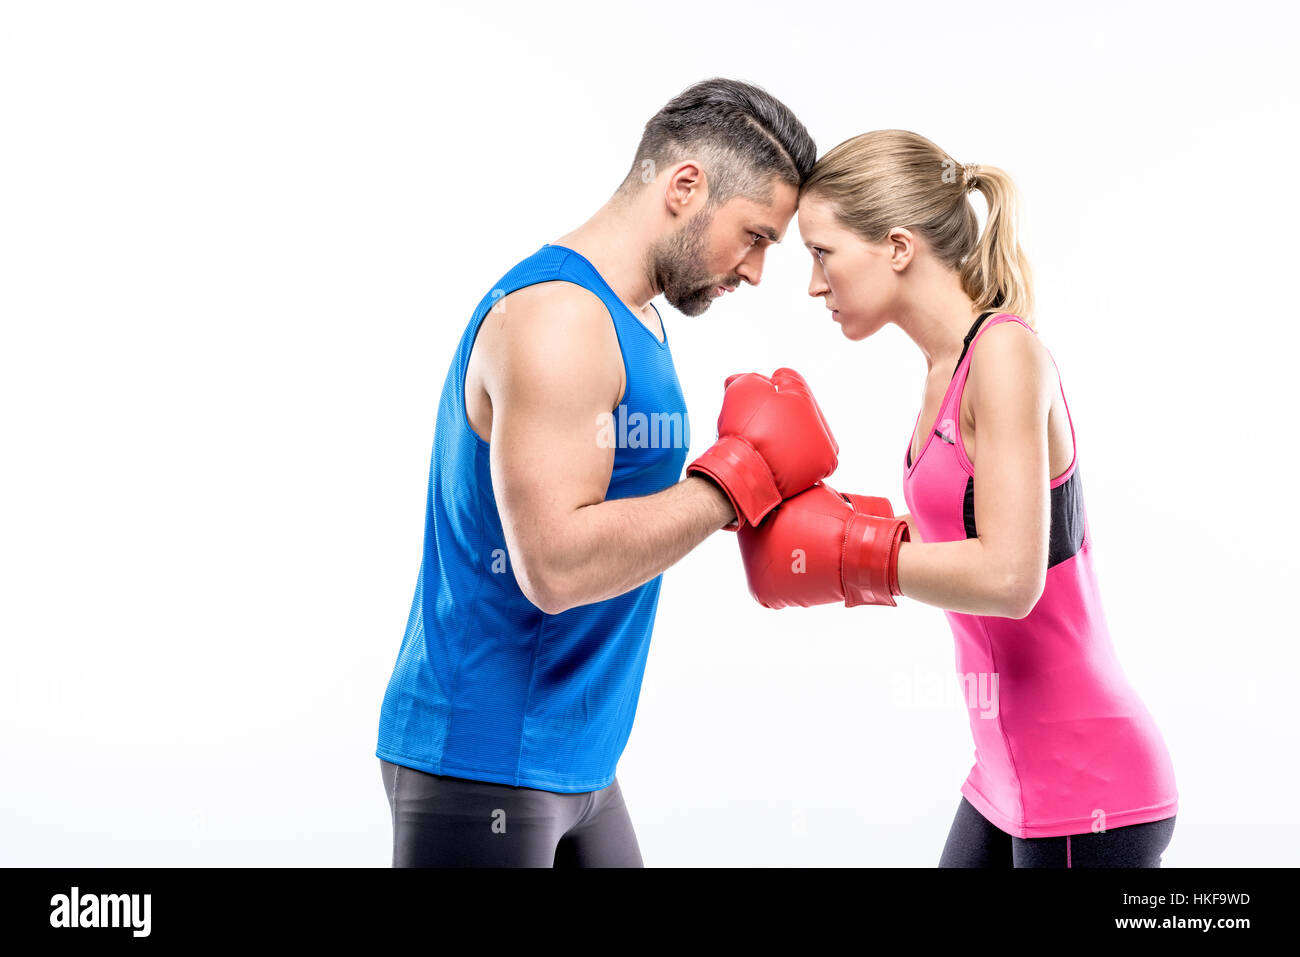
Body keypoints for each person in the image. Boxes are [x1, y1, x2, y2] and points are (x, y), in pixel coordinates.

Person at [375, 78, 834, 866]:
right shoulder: (560, 317)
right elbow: (555, 565)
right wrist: (731, 483)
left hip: (580, 759)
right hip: (482, 761)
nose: (757, 271)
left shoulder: (637, 315)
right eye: (755, 236)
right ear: (685, 186)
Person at [735, 130, 1179, 868]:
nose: (814, 285)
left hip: (1084, 780)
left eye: (822, 253)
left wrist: (852, 554)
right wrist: (816, 519)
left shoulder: (1003, 354)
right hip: (1004, 775)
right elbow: (961, 532)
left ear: (898, 246)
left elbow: (1010, 575)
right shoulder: (946, 367)